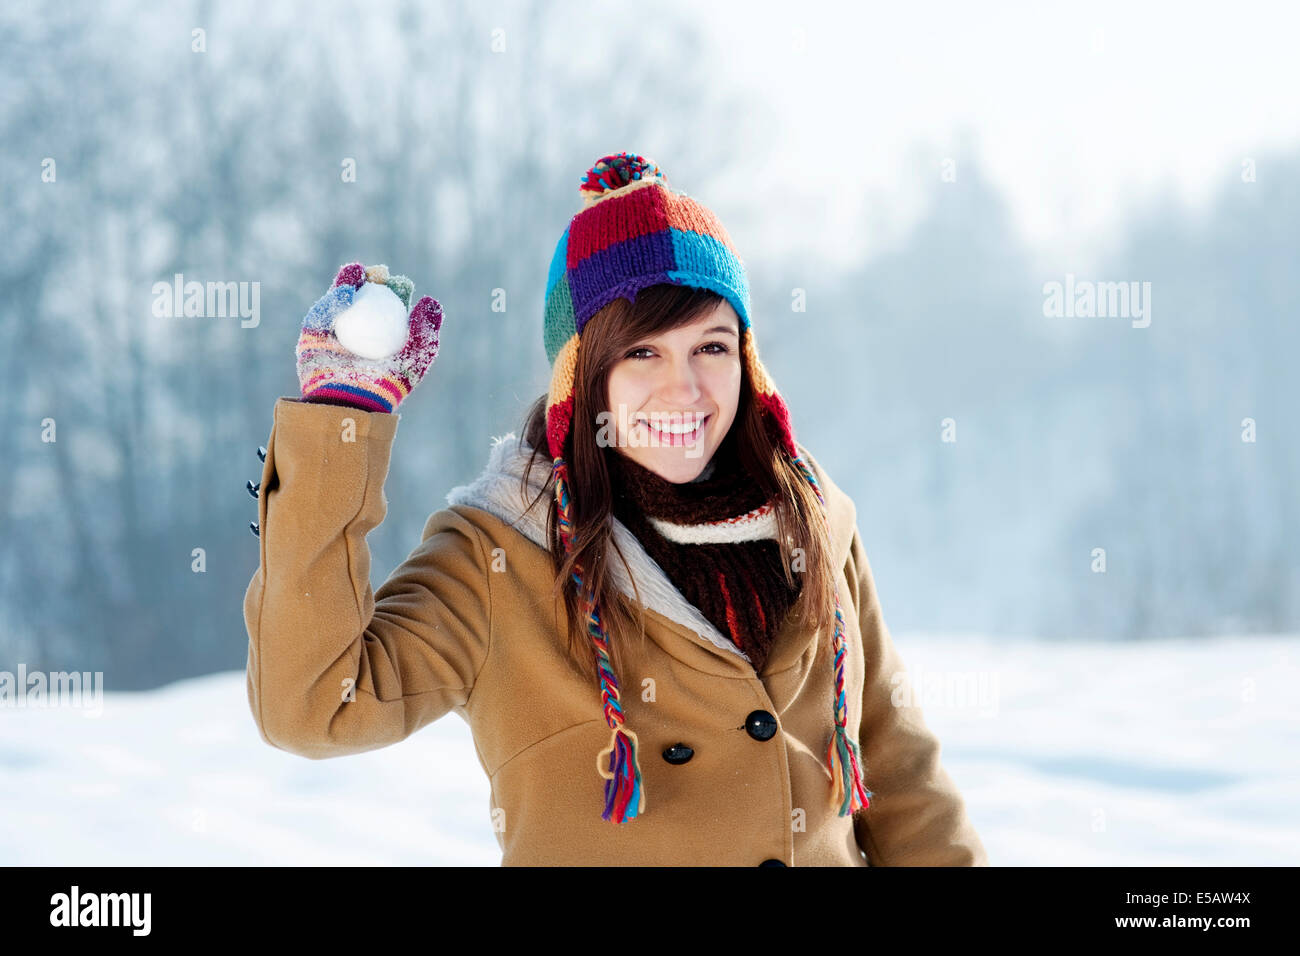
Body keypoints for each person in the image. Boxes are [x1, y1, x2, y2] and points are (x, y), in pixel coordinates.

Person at [243, 151, 988, 867]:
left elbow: (901, 775)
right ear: (582, 374)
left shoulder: (816, 522)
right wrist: (340, 431)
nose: (686, 390)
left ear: (748, 361)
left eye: (712, 347)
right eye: (642, 354)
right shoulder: (500, 552)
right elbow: (314, 705)